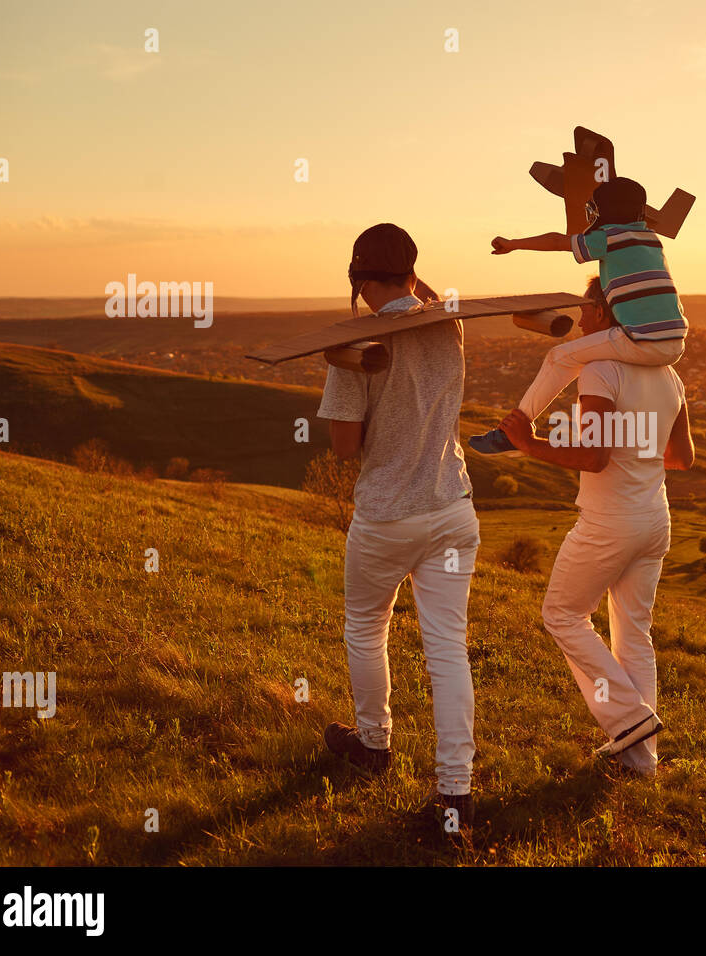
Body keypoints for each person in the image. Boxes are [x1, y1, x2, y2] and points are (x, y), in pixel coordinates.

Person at [317, 223, 480, 827]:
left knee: (366, 627)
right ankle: (456, 795)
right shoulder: (449, 325)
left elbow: (341, 445)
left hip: (387, 513)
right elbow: (423, 298)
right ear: (414, 273)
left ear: (359, 283)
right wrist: (409, 281)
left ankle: (373, 744)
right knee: (447, 648)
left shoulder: (356, 350)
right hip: (452, 505)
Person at [497, 276, 695, 774]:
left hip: (611, 522)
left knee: (562, 615)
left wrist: (529, 445)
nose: (582, 320)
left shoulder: (600, 369)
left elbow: (593, 456)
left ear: (607, 314)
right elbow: (682, 457)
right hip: (655, 518)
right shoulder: (670, 376)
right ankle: (641, 762)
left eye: (587, 310)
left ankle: (630, 719)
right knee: (635, 634)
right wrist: (641, 457)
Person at [469, 177, 688, 456]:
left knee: (559, 357)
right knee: (581, 354)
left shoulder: (609, 239)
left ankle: (511, 432)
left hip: (640, 340)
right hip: (675, 345)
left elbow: (556, 241)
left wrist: (513, 243)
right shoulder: (652, 240)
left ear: (602, 211)